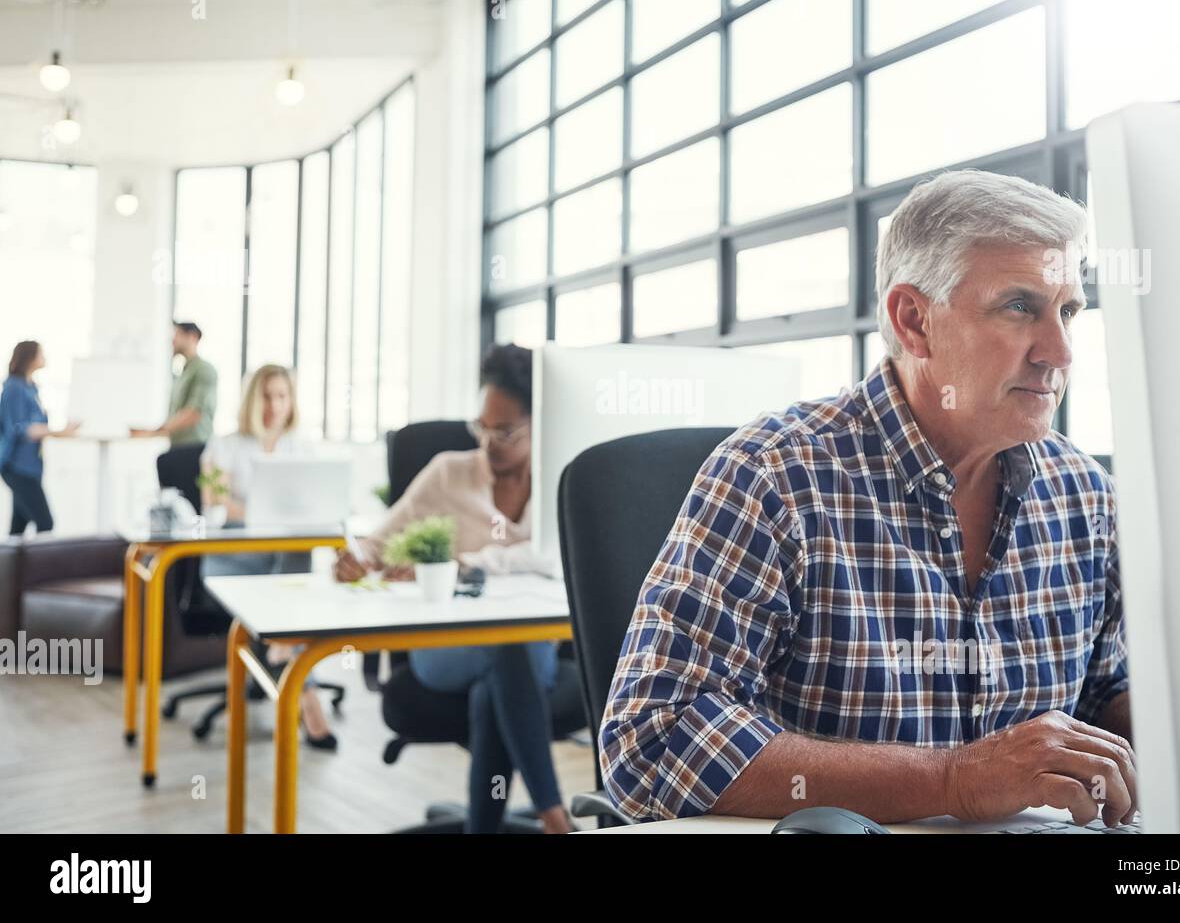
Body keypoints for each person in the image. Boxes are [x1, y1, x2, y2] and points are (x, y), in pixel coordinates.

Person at [601, 169, 1137, 829]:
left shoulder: (1085, 495)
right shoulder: (775, 475)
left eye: (1069, 311)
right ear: (914, 320)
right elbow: (653, 741)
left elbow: (1100, 693)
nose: (1059, 352)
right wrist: (953, 781)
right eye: (1019, 307)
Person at [333, 344, 573, 833]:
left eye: (505, 431)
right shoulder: (448, 474)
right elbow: (379, 544)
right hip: (444, 650)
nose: (489, 442)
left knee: (499, 675)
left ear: (539, 424)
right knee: (505, 647)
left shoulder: (560, 484)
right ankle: (555, 816)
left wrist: (465, 563)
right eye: (482, 427)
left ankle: (485, 828)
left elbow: (554, 561)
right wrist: (357, 560)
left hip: (531, 648)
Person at [199, 364, 336, 750]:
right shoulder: (223, 445)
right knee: (293, 566)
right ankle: (306, 696)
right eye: (267, 396)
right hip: (233, 558)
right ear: (250, 400)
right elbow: (214, 499)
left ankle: (282, 647)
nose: (274, 405)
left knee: (296, 549)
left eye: (282, 396)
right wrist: (263, 515)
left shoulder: (301, 447)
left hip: (283, 555)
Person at [1, 341, 80, 535]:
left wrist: (61, 431)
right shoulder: (14, 387)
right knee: (45, 522)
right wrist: (58, 430)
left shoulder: (32, 388)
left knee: (18, 528)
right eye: (41, 353)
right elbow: (20, 428)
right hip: (16, 466)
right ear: (29, 357)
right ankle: (39, 566)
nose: (45, 357)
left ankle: (10, 566)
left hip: (32, 466)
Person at [131, 321, 217, 445]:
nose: (173, 340)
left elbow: (194, 412)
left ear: (192, 336)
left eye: (177, 334)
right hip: (178, 445)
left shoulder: (204, 370)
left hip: (196, 446)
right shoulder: (183, 372)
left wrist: (154, 432)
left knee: (163, 461)